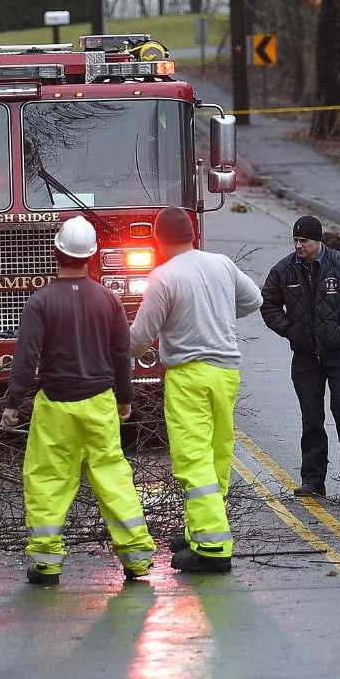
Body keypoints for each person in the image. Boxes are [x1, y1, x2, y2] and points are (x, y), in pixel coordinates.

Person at [0, 217, 159, 586]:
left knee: (48, 480)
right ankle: (136, 559)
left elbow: (26, 355)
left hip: (55, 405)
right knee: (113, 477)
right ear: (92, 255)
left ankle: (46, 563)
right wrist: (124, 398)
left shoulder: (40, 301)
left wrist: (13, 402)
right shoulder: (108, 299)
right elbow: (122, 354)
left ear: (56, 251)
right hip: (100, 402)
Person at [129, 206, 261, 573]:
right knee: (218, 454)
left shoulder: (163, 277)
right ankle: (199, 530)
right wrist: (213, 314)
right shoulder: (221, 264)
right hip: (226, 372)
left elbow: (140, 336)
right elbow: (254, 300)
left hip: (188, 376)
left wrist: (115, 355)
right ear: (193, 234)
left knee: (192, 458)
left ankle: (213, 548)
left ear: (158, 239)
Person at [260, 215, 340, 498]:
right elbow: (268, 304)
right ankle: (312, 479)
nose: (299, 246)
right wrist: (289, 330)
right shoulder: (284, 271)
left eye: (304, 241)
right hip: (305, 356)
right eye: (296, 241)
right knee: (311, 418)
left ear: (318, 241)